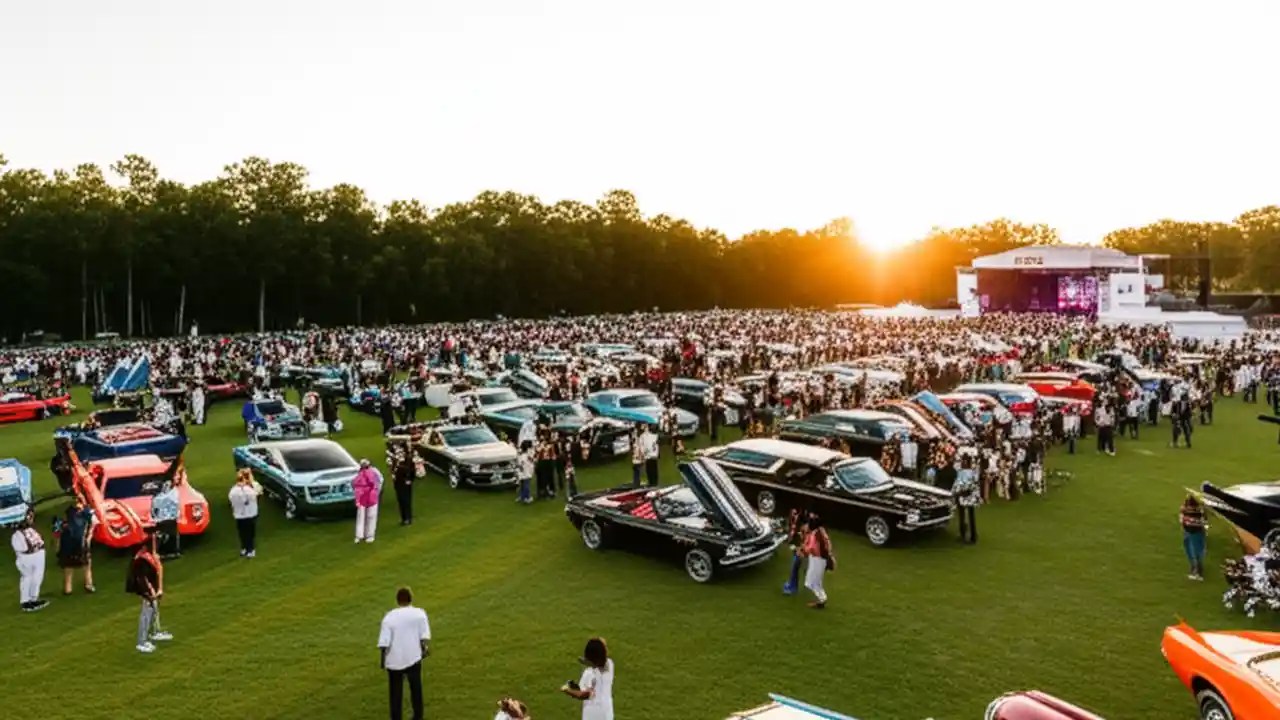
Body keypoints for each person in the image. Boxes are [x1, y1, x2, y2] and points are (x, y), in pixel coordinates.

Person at [378, 586, 431, 720]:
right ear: (411, 599)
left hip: (394, 661)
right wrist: (424, 650)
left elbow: (384, 642)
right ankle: (418, 716)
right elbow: (423, 637)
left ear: (397, 600)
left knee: (395, 693)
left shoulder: (389, 617)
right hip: (413, 657)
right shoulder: (419, 613)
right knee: (416, 689)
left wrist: (383, 661)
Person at [127, 532, 172, 653]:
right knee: (146, 612)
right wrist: (149, 591)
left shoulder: (151, 556)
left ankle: (155, 632)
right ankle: (141, 642)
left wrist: (159, 588)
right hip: (144, 588)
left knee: (154, 609)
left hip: (151, 586)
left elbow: (157, 571)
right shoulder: (141, 559)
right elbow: (141, 578)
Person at [562, 637, 614, 720]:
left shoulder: (590, 675)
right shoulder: (610, 665)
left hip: (592, 715)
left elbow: (583, 695)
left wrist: (566, 690)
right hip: (607, 714)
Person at [57, 498, 97, 593]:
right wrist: (88, 540)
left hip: (67, 545)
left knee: (68, 568)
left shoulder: (67, 514)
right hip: (81, 544)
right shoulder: (88, 514)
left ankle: (68, 589)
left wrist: (58, 547)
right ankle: (89, 585)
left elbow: (58, 532)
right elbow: (92, 527)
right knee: (87, 566)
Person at [11, 510, 49, 612]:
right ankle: (25, 601)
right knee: (27, 578)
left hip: (37, 556)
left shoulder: (31, 530)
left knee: (37, 578)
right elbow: (23, 548)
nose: (31, 520)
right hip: (27, 558)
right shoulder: (16, 535)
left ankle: (33, 598)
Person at [801, 512, 834, 609]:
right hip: (821, 559)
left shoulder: (814, 534)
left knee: (810, 582)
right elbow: (828, 544)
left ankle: (822, 599)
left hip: (817, 559)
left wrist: (804, 548)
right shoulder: (822, 531)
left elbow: (812, 549)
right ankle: (821, 599)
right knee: (817, 581)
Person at [228, 468, 263, 558]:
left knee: (244, 532)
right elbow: (257, 493)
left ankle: (246, 549)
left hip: (241, 514)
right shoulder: (245, 489)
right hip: (248, 514)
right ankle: (248, 549)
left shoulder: (235, 489)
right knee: (248, 533)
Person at [151, 478, 182, 559]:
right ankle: (169, 551)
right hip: (166, 518)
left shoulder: (163, 496)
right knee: (166, 534)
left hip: (166, 519)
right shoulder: (167, 495)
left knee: (167, 535)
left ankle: (170, 551)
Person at [353, 459, 383, 543]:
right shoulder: (360, 474)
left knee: (369, 516)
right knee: (365, 516)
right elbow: (356, 486)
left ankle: (367, 535)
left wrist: (376, 492)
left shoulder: (373, 472)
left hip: (370, 497)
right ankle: (362, 535)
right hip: (365, 497)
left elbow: (379, 482)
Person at [953, 456, 980, 544]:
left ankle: (972, 536)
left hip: (969, 495)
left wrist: (964, 490)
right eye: (962, 462)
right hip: (962, 495)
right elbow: (957, 483)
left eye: (965, 462)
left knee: (970, 516)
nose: (963, 463)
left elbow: (973, 484)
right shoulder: (960, 472)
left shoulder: (972, 472)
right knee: (962, 516)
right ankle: (963, 534)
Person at [1181, 494, 1207, 581]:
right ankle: (1194, 567)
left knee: (1196, 552)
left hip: (1195, 533)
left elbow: (1202, 522)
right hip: (1189, 532)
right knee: (1190, 550)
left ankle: (1198, 572)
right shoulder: (1188, 509)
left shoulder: (1198, 511)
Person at [781, 508, 807, 595]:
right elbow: (792, 540)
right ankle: (792, 586)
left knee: (794, 570)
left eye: (795, 514)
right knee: (794, 570)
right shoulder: (795, 527)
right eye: (792, 514)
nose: (794, 516)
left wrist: (798, 549)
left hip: (801, 553)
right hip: (797, 551)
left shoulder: (803, 529)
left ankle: (793, 589)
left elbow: (802, 542)